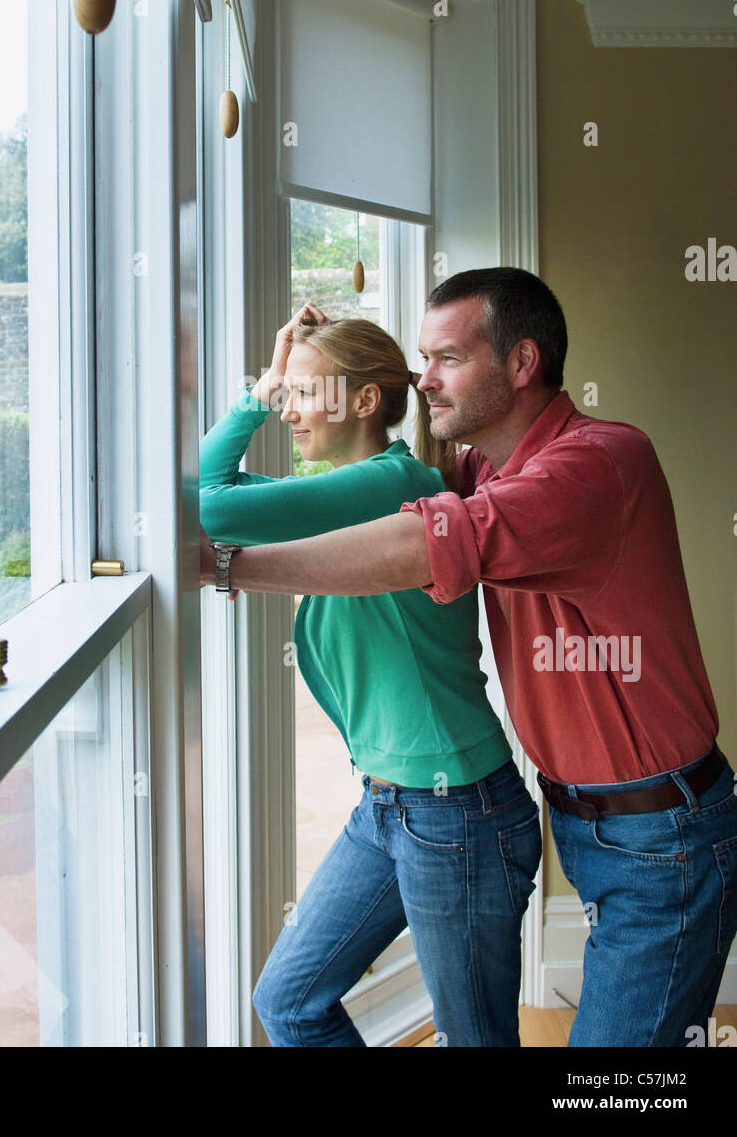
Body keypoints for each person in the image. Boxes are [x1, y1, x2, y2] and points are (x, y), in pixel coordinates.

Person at [201, 268, 737, 1049]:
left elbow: (423, 539)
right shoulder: (483, 469)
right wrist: (275, 385)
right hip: (580, 822)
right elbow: (386, 490)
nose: (425, 380)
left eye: (447, 358)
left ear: (521, 364)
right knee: (290, 999)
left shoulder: (598, 463)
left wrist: (225, 567)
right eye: (421, 359)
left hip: (665, 839)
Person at [199, 302, 541, 1047]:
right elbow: (197, 494)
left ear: (362, 401)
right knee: (289, 1002)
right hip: (393, 806)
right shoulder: (339, 498)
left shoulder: (389, 484)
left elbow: (207, 510)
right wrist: (266, 383)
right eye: (281, 398)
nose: (287, 411)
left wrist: (258, 396)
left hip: (456, 813)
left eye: (301, 394)